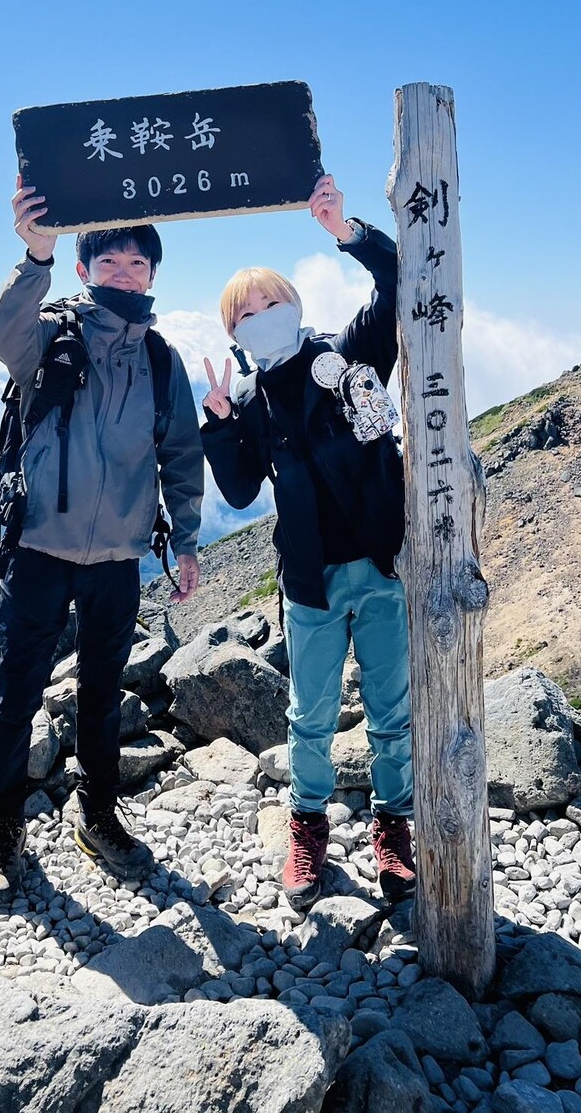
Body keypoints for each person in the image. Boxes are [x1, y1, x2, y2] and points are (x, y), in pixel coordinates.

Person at [0, 178, 204, 898]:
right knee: (14, 692)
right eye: (110, 262)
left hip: (116, 558)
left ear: (153, 274)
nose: (125, 273)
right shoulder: (51, 333)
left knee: (103, 696)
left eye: (138, 264)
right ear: (85, 269)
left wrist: (187, 540)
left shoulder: (161, 360)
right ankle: (3, 827)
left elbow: (180, 456)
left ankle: (97, 811)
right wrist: (32, 254)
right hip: (40, 547)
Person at [200, 174, 414, 910]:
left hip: (382, 566)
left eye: (270, 302)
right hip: (310, 583)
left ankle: (394, 831)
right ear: (233, 333)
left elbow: (395, 286)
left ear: (294, 303)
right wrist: (220, 422)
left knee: (391, 710)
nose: (261, 316)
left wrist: (343, 229)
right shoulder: (253, 402)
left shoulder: (346, 355)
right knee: (310, 716)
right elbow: (234, 490)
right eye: (245, 313)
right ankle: (307, 827)